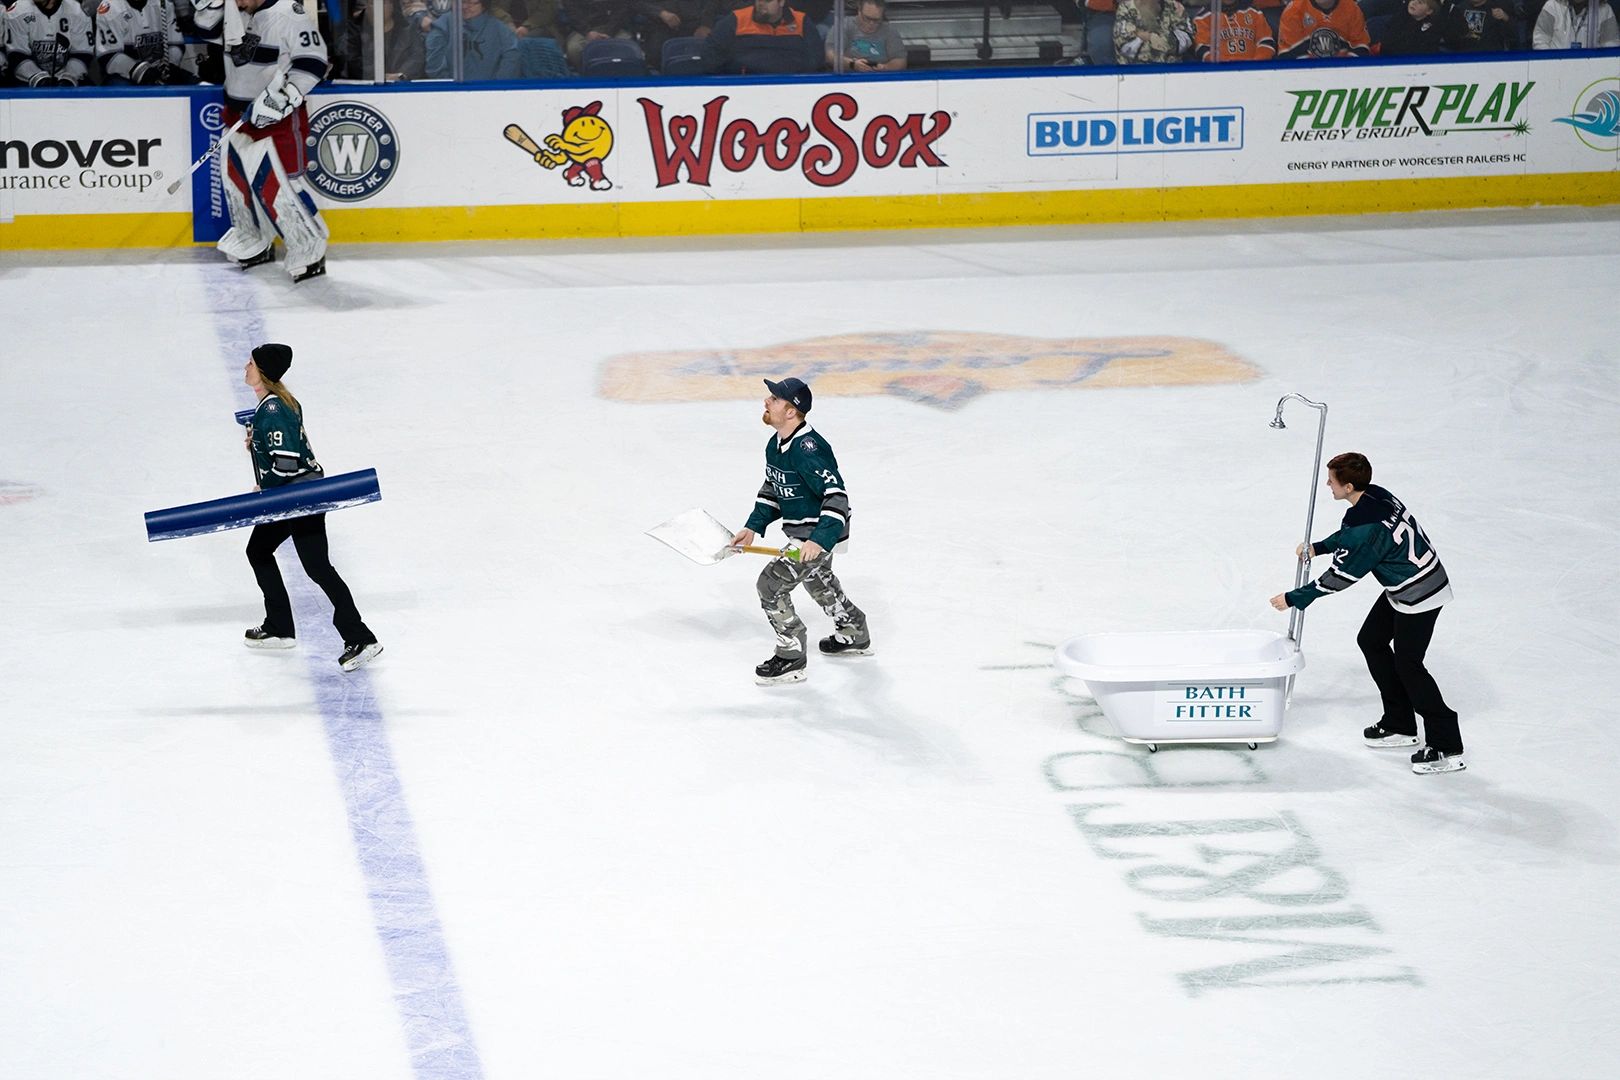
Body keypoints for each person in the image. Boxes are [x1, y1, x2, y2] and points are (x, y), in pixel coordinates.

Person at [1269, 452, 1462, 774]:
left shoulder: (1365, 527)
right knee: (1371, 640)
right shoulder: (1376, 496)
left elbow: (1341, 576)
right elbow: (1350, 539)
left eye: (1332, 480)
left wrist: (1295, 597)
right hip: (1405, 587)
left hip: (1421, 594)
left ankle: (1447, 745)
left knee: (1409, 666)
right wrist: (1320, 547)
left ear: (1348, 486)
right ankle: (1400, 723)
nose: (1327, 485)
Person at [241, 344, 383, 672]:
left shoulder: (272, 408)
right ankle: (279, 627)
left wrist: (266, 487)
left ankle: (361, 638)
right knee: (259, 550)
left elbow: (287, 464)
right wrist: (258, 445)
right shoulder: (278, 403)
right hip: (292, 495)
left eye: (250, 363)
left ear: (263, 372)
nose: (245, 367)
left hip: (298, 498)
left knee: (316, 567)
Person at [730, 377, 870, 685]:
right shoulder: (776, 444)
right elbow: (773, 489)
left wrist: (818, 540)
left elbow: (836, 496)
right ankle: (854, 630)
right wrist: (753, 526)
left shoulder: (808, 449)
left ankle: (791, 655)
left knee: (770, 586)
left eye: (775, 399)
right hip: (808, 534)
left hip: (818, 533)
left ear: (791, 411)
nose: (767, 401)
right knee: (818, 581)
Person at [192, 0, 331, 282]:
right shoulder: (234, 12)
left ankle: (309, 247)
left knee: (282, 186)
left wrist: (285, 97)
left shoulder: (289, 14)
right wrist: (211, 6)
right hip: (237, 114)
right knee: (239, 184)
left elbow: (314, 61)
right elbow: (206, 30)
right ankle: (255, 240)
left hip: (277, 119)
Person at [703, 0, 822, 74]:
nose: (761, 4)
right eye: (758, 0)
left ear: (781, 2)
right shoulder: (738, 19)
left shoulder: (801, 21)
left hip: (792, 85)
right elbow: (711, 52)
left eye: (767, 1)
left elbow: (816, 58)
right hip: (744, 85)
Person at [96, 0, 194, 84]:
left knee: (197, 85)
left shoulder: (163, 4)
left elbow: (175, 43)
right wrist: (140, 71)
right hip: (125, 75)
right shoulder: (110, 8)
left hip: (160, 70)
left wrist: (171, 64)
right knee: (120, 92)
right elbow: (108, 55)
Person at [5, 0, 94, 87]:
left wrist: (68, 78)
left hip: (70, 79)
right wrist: (38, 78)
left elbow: (82, 53)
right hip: (27, 81)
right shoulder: (18, 11)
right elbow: (16, 54)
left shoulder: (77, 11)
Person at [425, 0, 522, 77]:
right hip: (450, 91)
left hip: (491, 91)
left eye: (471, 2)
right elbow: (434, 64)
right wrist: (450, 88)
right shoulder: (442, 26)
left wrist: (496, 87)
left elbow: (512, 59)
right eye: (461, 2)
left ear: (483, 5)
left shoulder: (500, 29)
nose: (464, 6)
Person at [827, 0, 906, 72]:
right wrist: (852, 64)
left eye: (876, 20)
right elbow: (830, 55)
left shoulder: (889, 31)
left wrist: (885, 67)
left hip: (880, 78)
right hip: (850, 77)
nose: (871, 23)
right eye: (867, 18)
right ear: (859, 11)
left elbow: (901, 61)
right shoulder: (844, 26)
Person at [1276, 0, 1371, 56]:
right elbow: (1287, 56)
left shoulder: (1352, 9)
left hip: (1344, 73)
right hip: (1304, 75)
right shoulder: (1293, 11)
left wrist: (1343, 65)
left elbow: (1362, 48)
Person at [1190, 0, 1276, 59]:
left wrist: (1255, 65)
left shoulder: (1254, 12)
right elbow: (1203, 49)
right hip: (1220, 72)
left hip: (1253, 71)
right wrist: (1226, 66)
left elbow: (1266, 42)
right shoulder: (1203, 18)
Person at [1113, 0, 1194, 63]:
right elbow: (1126, 48)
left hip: (1172, 70)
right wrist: (1166, 43)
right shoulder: (1126, 8)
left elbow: (1184, 42)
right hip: (1135, 71)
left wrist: (1149, 37)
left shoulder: (1175, 6)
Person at [1378, 0, 1465, 53]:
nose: (1414, 3)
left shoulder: (1434, 27)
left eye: (1420, 2)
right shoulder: (1400, 19)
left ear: (1429, 11)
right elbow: (1387, 44)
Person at [1531, 0, 1619, 46]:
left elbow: (1611, 45)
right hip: (1556, 68)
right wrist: (1552, 64)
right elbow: (1540, 41)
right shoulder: (1552, 6)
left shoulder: (1605, 10)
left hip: (1591, 69)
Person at [1450, 0, 1518, 50]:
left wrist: (1505, 17)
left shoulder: (1498, 8)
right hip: (1463, 57)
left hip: (1490, 57)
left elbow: (1514, 35)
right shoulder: (1459, 8)